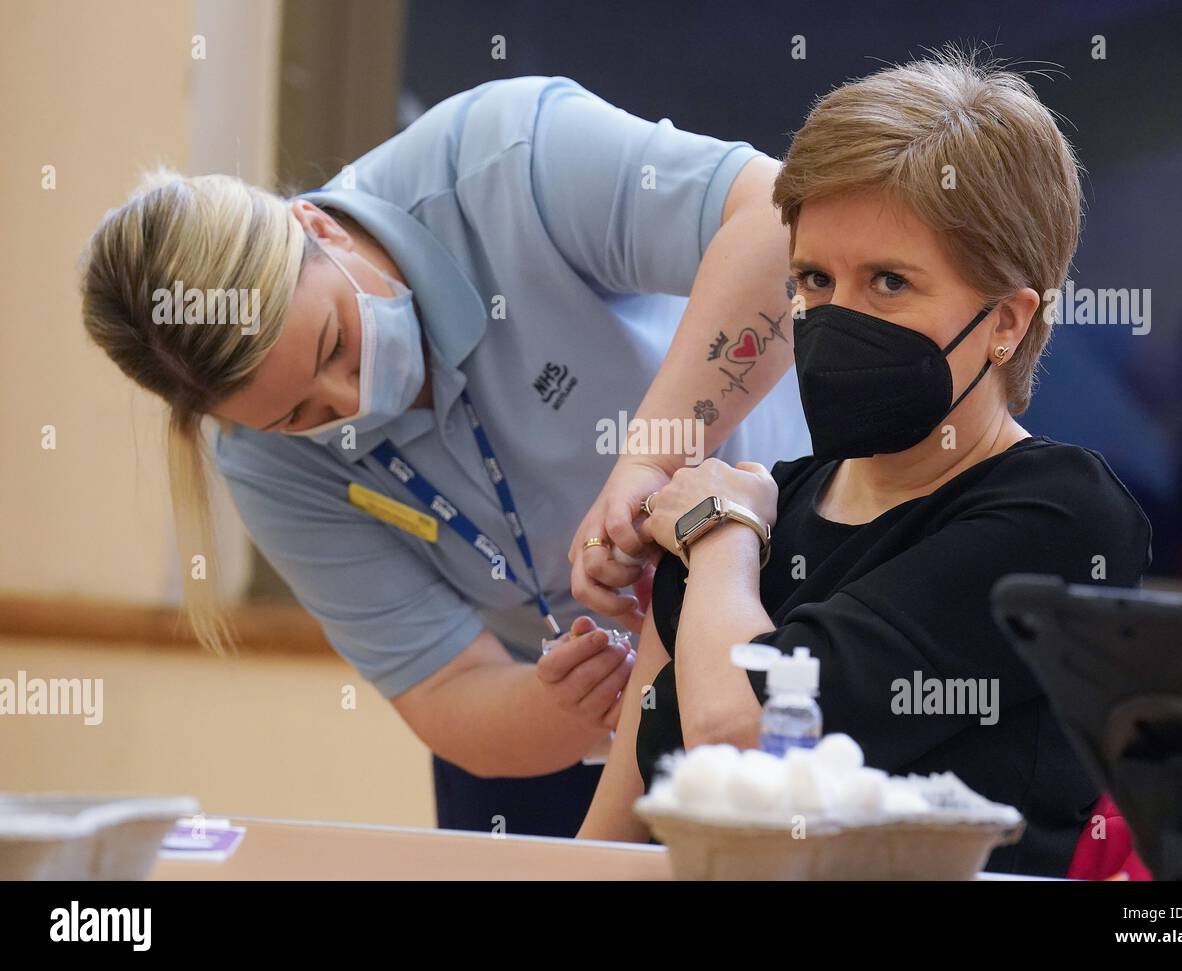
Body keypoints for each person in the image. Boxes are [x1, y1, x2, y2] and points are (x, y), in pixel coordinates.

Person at [79, 75, 808, 837]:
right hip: (560, 739)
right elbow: (449, 688)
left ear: (317, 228)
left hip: (789, 582)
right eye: (303, 414)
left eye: (335, 342)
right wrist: (562, 703)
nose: (351, 398)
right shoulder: (261, 460)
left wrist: (651, 461)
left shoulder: (504, 160)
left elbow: (780, 223)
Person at [576, 48, 1153, 877]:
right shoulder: (749, 509)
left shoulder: (1059, 517)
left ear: (1006, 321)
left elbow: (746, 732)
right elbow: (610, 840)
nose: (836, 319)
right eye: (814, 278)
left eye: (888, 282)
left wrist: (722, 542)